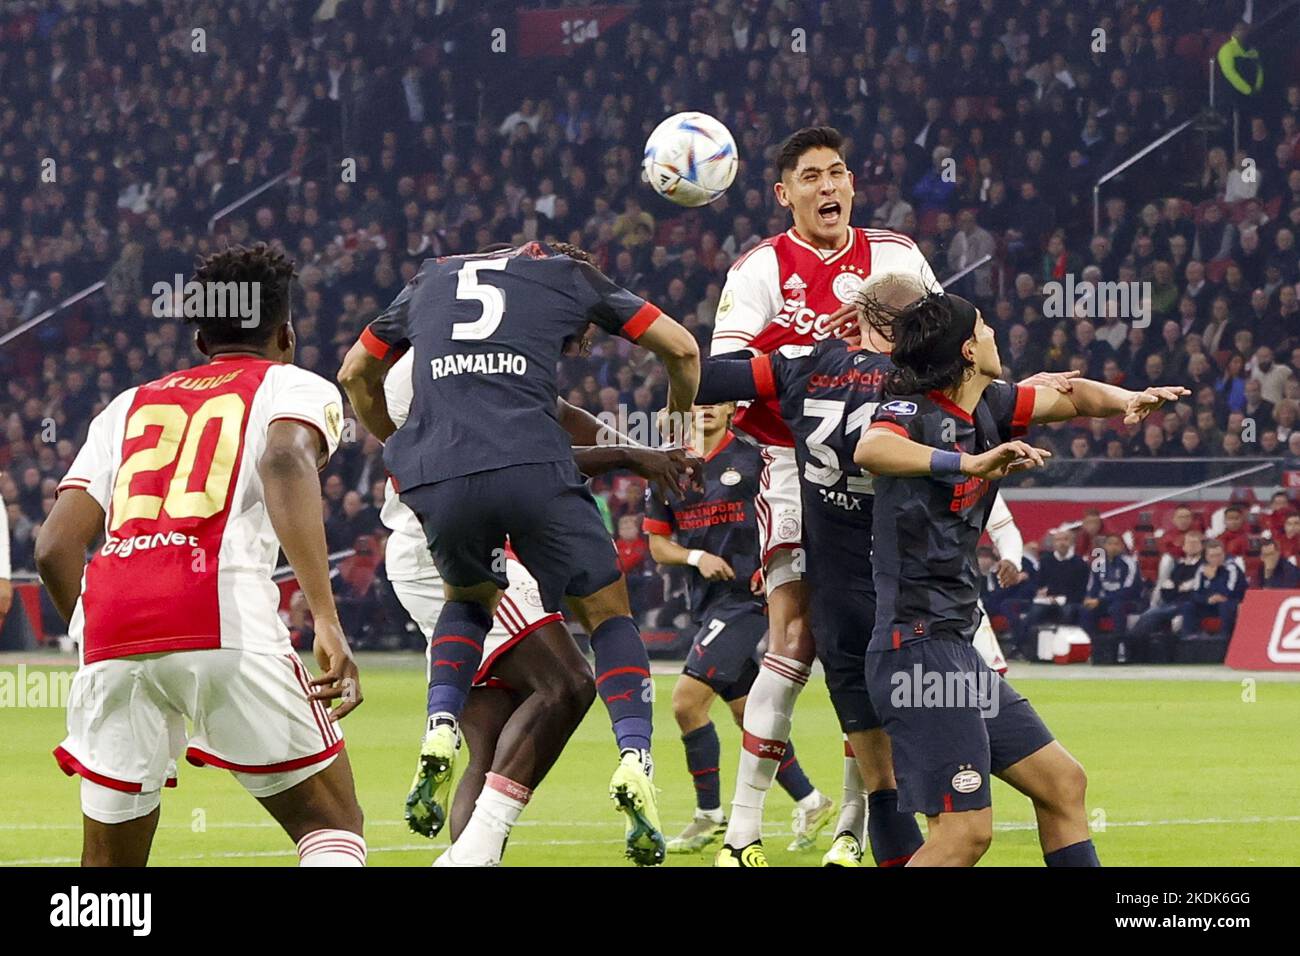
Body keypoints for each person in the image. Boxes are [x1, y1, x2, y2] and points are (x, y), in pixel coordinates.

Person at [337, 240, 700, 866]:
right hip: (445, 539)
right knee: (567, 682)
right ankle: (630, 756)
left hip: (448, 517)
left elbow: (560, 417)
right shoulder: (443, 358)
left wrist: (634, 452)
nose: (581, 342)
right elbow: (526, 446)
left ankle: (448, 759)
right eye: (581, 331)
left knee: (497, 716)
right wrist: (661, 435)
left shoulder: (441, 306)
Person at [36, 244, 366, 867]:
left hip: (112, 634)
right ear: (285, 334)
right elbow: (283, 458)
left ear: (198, 339)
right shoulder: (293, 384)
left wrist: (90, 629)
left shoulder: (124, 407)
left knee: (108, 870)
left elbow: (54, 547)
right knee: (332, 826)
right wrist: (325, 616)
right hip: (222, 619)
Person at [854, 289, 1186, 866]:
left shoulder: (990, 404)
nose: (993, 333)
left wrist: (1127, 398)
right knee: (964, 835)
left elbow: (1073, 394)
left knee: (1062, 784)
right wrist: (970, 463)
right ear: (966, 350)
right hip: (917, 651)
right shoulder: (913, 411)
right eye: (983, 326)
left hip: (953, 646)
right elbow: (872, 448)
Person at [707, 125, 938, 858]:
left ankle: (855, 823)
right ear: (784, 194)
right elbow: (720, 375)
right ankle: (743, 830)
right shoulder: (759, 270)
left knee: (878, 642)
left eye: (836, 172)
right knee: (798, 637)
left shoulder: (897, 258)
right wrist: (820, 351)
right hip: (791, 464)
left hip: (887, 467)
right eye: (810, 177)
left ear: (852, 184)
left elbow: (947, 347)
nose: (827, 186)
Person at [643, 402, 830, 857]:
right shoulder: (668, 466)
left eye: (715, 402)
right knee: (750, 713)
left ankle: (708, 816)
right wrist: (695, 558)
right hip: (707, 602)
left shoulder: (753, 460)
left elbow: (788, 512)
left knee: (687, 703)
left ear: (731, 410)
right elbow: (657, 544)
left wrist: (780, 568)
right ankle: (811, 800)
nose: (705, 409)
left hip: (747, 598)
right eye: (698, 402)